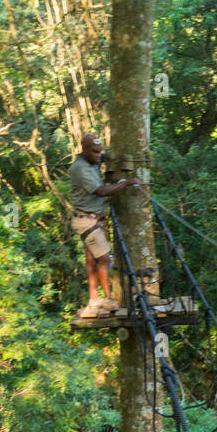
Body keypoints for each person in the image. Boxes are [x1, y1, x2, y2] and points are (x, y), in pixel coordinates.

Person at [69, 133, 140, 319]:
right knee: (105, 259)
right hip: (87, 221)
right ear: (84, 150)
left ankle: (94, 298)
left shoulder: (92, 162)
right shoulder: (80, 168)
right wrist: (126, 184)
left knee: (92, 261)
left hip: (91, 219)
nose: (99, 155)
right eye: (95, 152)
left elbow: (99, 159)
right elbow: (100, 191)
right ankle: (108, 299)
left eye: (101, 152)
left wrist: (106, 158)